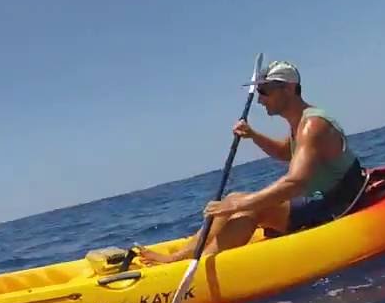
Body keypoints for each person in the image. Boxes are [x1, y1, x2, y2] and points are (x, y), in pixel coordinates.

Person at [139, 60, 366, 264]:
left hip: (337, 203)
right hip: (319, 198)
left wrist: (240, 206)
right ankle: (181, 257)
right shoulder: (300, 122)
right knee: (235, 198)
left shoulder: (312, 125)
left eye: (264, 91)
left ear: (288, 88)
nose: (259, 99)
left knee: (247, 208)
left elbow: (295, 183)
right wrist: (253, 135)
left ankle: (198, 267)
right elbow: (287, 152)